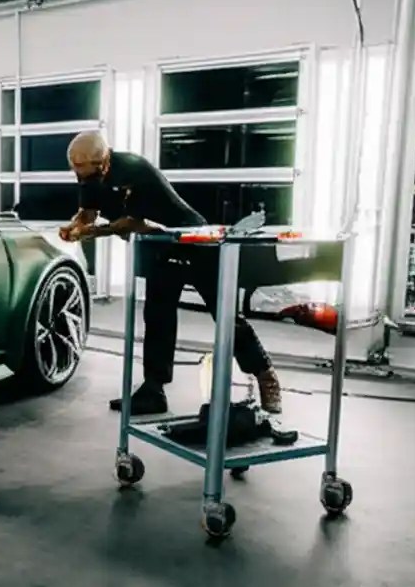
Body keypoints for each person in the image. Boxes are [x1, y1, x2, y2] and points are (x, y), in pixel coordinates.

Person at [58, 131, 282, 416]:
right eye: (78, 173)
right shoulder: (87, 174)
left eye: (89, 173)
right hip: (161, 248)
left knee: (224, 315)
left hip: (195, 242)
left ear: (104, 162)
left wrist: (92, 232)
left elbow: (133, 223)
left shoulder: (134, 169)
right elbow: (86, 213)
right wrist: (75, 226)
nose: (84, 180)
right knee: (157, 315)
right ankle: (154, 390)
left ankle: (265, 375)